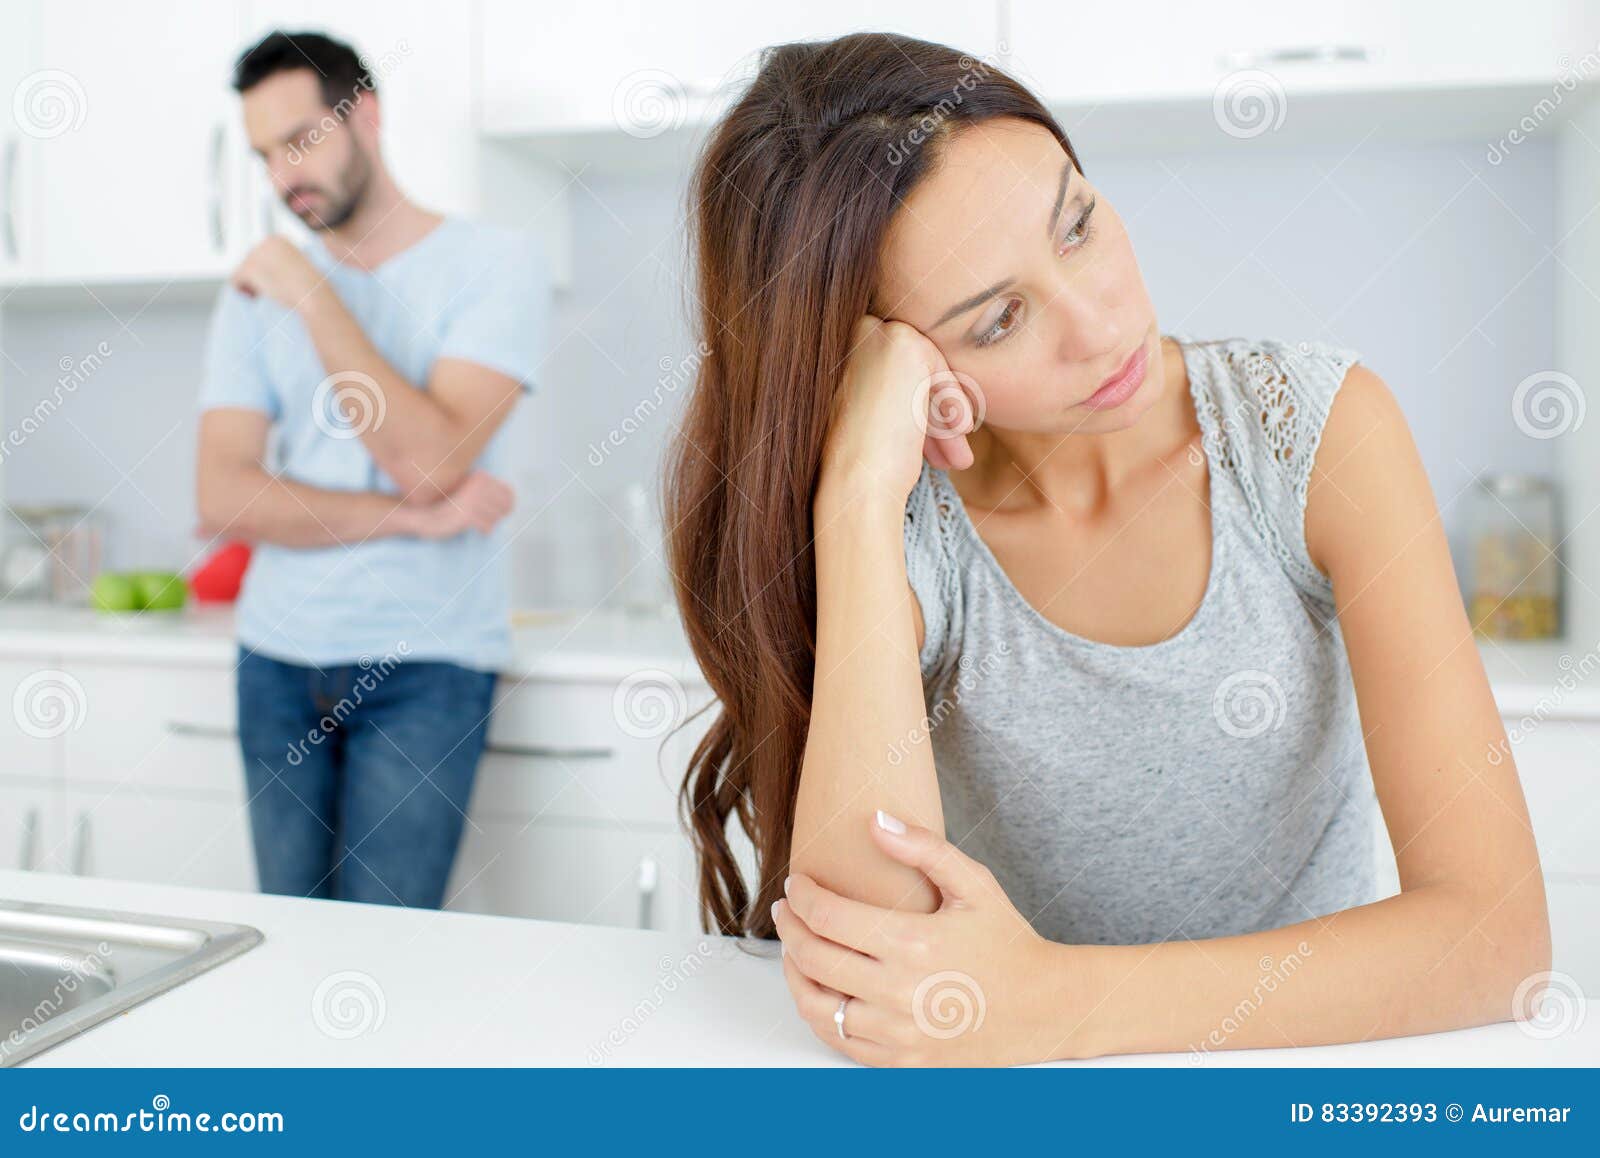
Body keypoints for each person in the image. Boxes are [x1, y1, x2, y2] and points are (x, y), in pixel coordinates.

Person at [663, 33, 1550, 1065]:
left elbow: (1497, 942)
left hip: (1303, 1071)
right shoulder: (911, 523)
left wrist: (1056, 1003)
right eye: (998, 319)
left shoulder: (1305, 433)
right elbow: (879, 965)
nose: (1100, 324)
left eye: (1076, 223)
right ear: (887, 359)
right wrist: (856, 494)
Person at [195, 30, 549, 909]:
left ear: (367, 117)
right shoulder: (253, 290)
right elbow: (223, 494)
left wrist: (317, 293)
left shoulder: (495, 265)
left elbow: (425, 461)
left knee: (387, 962)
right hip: (273, 659)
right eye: (264, 154)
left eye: (300, 139)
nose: (283, 177)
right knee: (287, 946)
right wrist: (405, 519)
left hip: (424, 665)